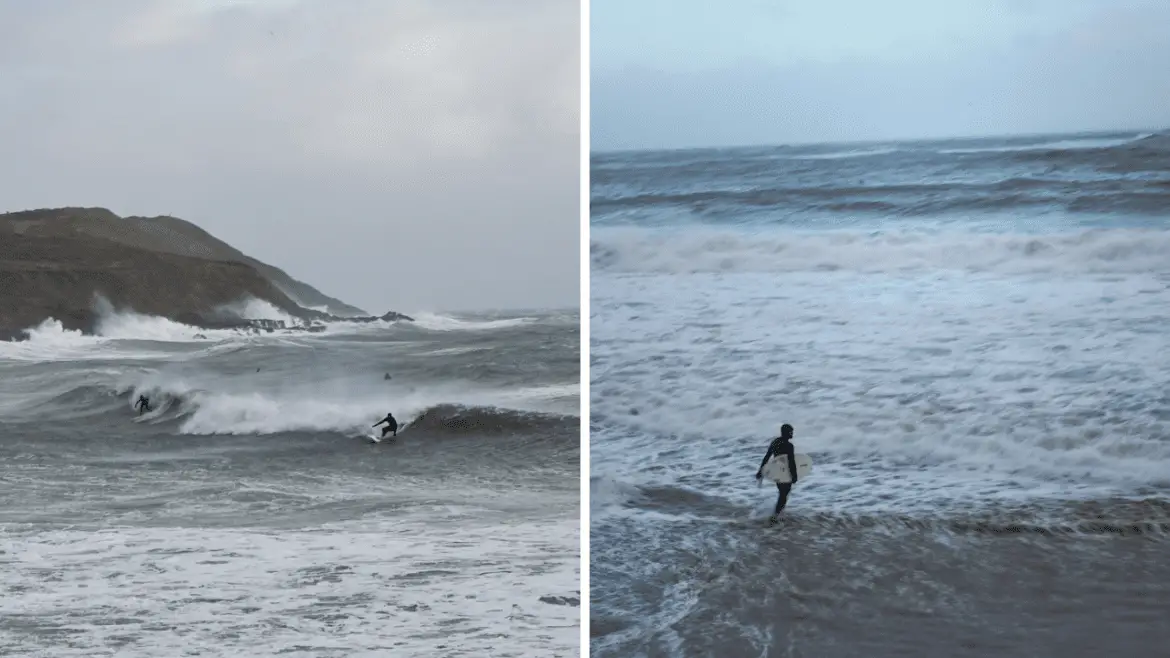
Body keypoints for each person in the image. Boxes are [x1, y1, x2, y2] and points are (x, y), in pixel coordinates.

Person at [755, 423, 799, 525]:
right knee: (784, 494)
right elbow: (791, 462)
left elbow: (767, 457)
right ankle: (776, 515)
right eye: (790, 432)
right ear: (786, 433)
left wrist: (760, 470)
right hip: (785, 472)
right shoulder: (789, 446)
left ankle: (778, 514)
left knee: (782, 493)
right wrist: (794, 475)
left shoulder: (775, 442)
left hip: (776, 471)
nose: (792, 434)